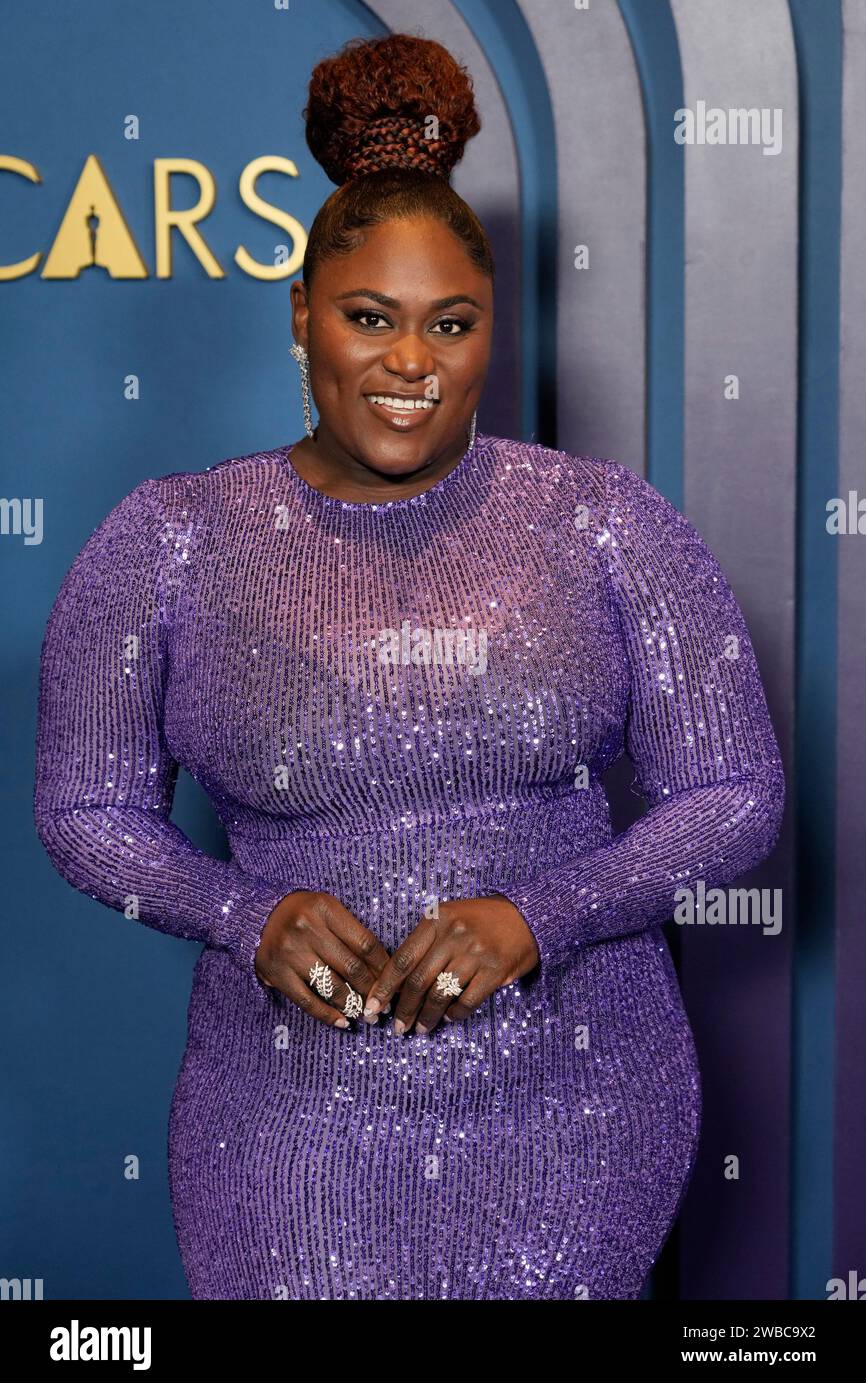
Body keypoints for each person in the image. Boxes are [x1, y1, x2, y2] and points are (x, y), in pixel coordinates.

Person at [33, 32, 785, 1300]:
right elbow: (84, 810)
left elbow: (735, 794)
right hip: (281, 1120)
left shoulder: (604, 521)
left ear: (492, 329)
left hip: (577, 1104)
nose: (409, 363)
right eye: (368, 317)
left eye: (451, 323)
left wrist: (544, 914)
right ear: (300, 315)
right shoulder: (168, 538)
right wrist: (240, 912)